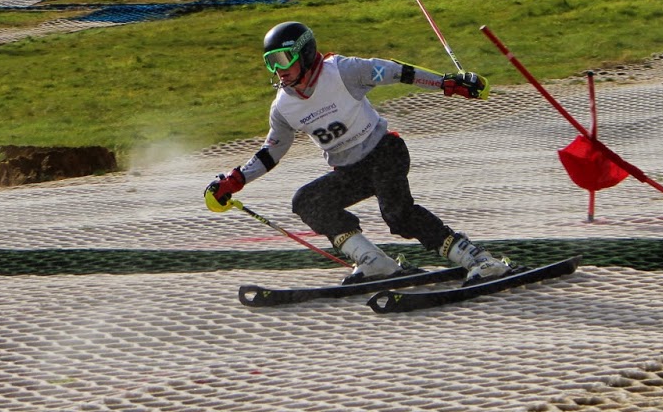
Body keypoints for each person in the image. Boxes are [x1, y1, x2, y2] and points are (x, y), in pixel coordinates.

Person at [204, 21, 511, 285]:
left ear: (305, 54)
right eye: (270, 63)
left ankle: (480, 261)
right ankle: (374, 262)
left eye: (282, 59)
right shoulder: (283, 107)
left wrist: (446, 83)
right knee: (308, 201)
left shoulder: (342, 71)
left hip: (384, 151)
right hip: (351, 171)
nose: (277, 70)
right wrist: (236, 180)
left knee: (399, 216)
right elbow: (273, 150)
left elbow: (394, 72)